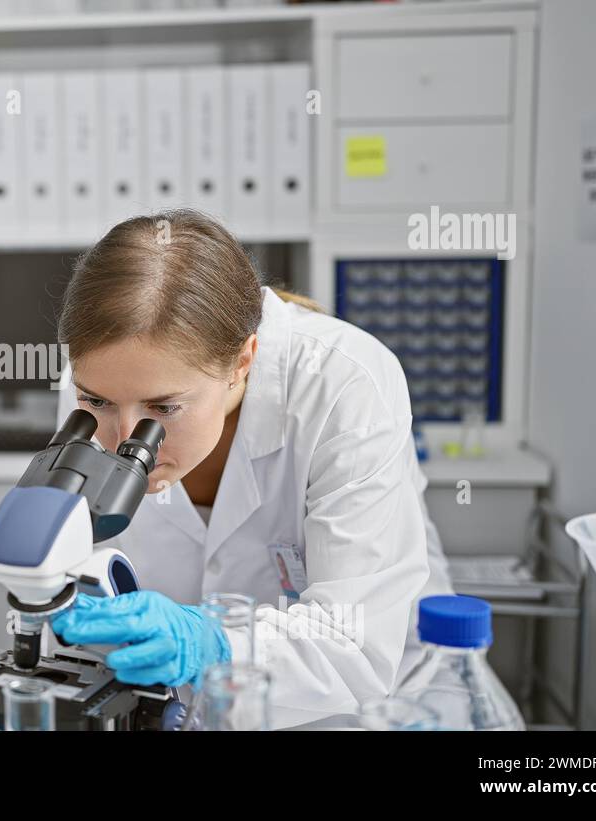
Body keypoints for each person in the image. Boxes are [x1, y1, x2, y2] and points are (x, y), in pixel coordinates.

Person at [50, 210, 452, 727]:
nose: (126, 440)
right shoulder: (105, 384)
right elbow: (88, 565)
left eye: (164, 408)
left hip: (358, 709)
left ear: (243, 361)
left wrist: (212, 644)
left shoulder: (345, 385)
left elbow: (356, 643)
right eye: (97, 400)